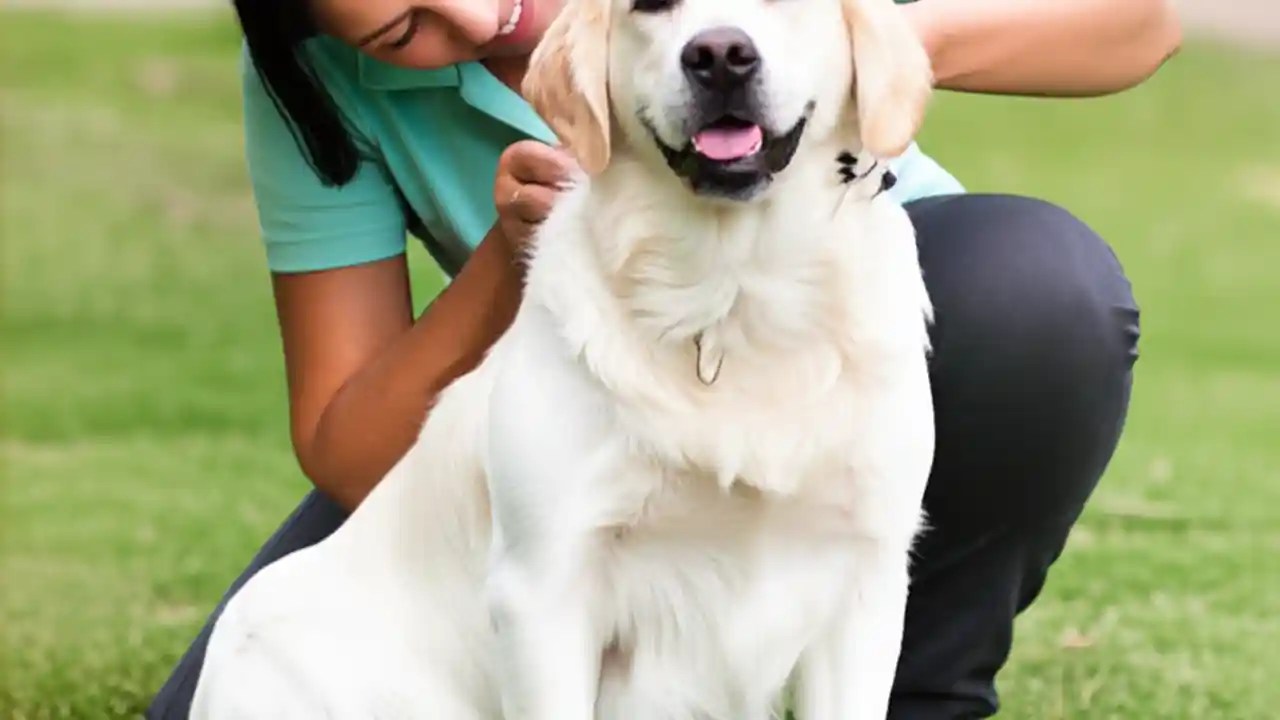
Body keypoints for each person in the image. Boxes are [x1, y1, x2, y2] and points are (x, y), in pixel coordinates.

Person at [147, 0, 1180, 717]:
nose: (471, 17)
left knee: (1041, 295)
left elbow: (1141, 24)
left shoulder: (756, 27)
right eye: (399, 27)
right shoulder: (321, 82)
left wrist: (865, 44)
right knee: (226, 692)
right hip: (561, 389)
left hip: (861, 308)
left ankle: (923, 699)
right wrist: (514, 259)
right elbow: (348, 445)